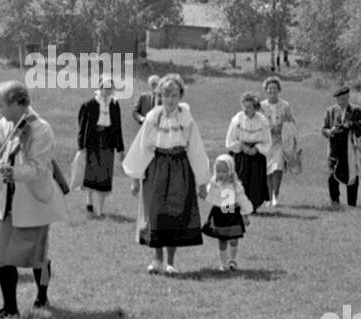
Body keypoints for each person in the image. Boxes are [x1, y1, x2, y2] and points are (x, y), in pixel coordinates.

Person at [0, 80, 67, 319]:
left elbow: (38, 167)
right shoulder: (6, 123)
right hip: (7, 201)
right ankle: (9, 307)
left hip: (33, 201)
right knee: (2, 256)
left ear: (15, 103)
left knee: (39, 257)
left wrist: (15, 172)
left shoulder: (41, 129)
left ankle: (42, 294)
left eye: (1, 105)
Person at [122, 73, 210, 274]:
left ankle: (171, 262)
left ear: (180, 96)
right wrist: (136, 179)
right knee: (155, 213)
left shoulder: (186, 120)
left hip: (180, 167)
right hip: (156, 167)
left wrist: (202, 182)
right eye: (166, 95)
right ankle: (156, 259)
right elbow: (141, 148)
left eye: (174, 95)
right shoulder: (153, 117)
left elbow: (196, 150)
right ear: (160, 96)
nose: (170, 100)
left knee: (175, 213)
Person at [77, 77, 125, 218]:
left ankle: (100, 210)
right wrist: (81, 147)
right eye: (106, 88)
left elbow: (118, 127)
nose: (109, 91)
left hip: (107, 142)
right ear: (100, 88)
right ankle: (89, 203)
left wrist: (120, 148)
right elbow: (82, 127)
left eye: (111, 89)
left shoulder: (115, 105)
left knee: (105, 174)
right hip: (92, 142)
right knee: (91, 173)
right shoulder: (89, 104)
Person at [201, 153, 253, 271]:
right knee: (222, 240)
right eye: (218, 171)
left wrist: (245, 215)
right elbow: (208, 195)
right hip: (220, 214)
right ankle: (223, 264)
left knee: (234, 239)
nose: (221, 174)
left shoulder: (235, 185)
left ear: (230, 171)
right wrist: (203, 193)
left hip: (233, 214)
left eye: (224, 171)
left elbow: (242, 200)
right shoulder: (214, 184)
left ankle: (232, 261)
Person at [321, 83, 361, 207]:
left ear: (348, 97)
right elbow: (323, 129)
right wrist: (330, 131)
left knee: (352, 174)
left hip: (350, 147)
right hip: (334, 148)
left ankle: (352, 204)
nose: (340, 102)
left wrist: (351, 125)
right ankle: (334, 202)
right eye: (338, 100)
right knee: (333, 174)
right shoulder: (330, 111)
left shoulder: (357, 111)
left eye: (343, 99)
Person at [226, 91, 271, 211]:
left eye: (249, 107)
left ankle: (252, 206)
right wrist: (242, 146)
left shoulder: (262, 121)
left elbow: (267, 141)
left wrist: (256, 149)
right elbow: (230, 140)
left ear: (255, 107)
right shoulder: (237, 119)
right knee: (239, 180)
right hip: (240, 154)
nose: (246, 110)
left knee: (255, 182)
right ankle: (235, 206)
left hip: (256, 155)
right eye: (244, 106)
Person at [260, 76, 297, 207]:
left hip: (280, 141)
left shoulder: (285, 105)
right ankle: (268, 197)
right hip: (265, 142)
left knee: (278, 168)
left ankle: (276, 195)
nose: (272, 91)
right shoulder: (261, 106)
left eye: (275, 88)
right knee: (267, 170)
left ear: (278, 90)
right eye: (270, 88)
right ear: (266, 90)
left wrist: (283, 127)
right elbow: (258, 123)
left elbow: (292, 121)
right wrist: (269, 129)